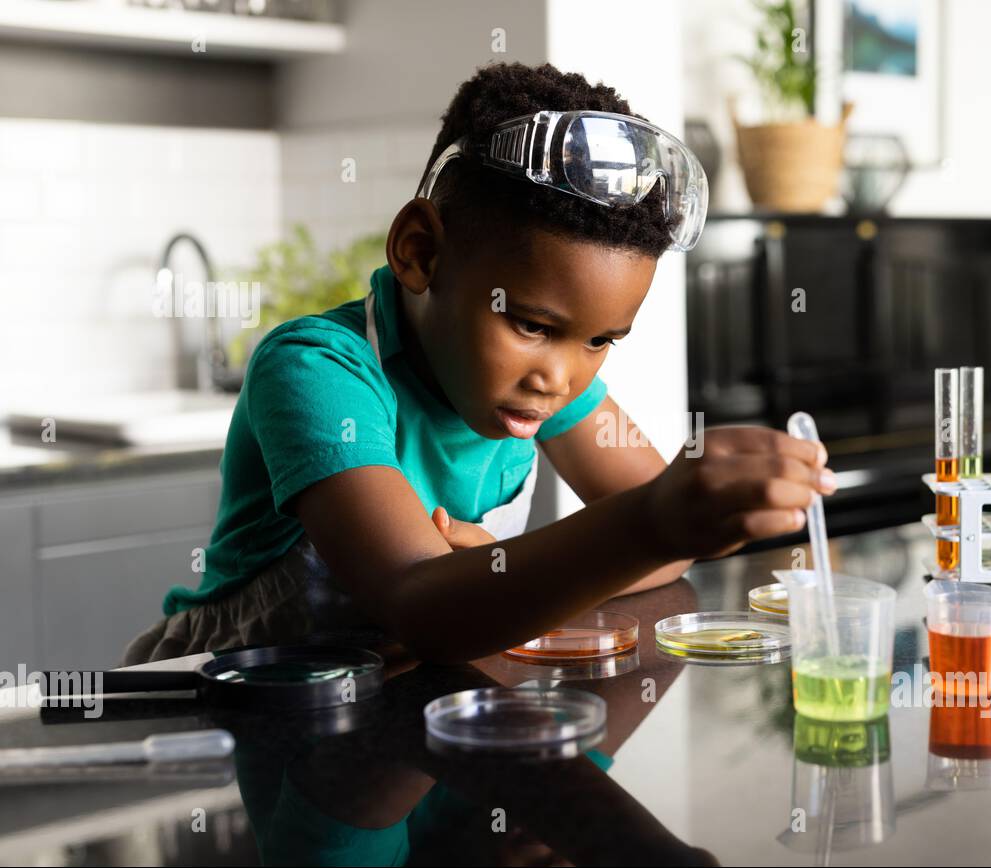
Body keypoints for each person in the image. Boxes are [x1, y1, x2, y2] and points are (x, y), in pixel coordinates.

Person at [123, 62, 835, 667]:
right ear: (420, 253)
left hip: (395, 703)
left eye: (600, 340)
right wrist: (639, 525)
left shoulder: (547, 387)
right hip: (235, 713)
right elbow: (416, 603)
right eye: (530, 324)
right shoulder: (318, 370)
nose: (559, 376)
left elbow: (667, 552)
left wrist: (486, 574)